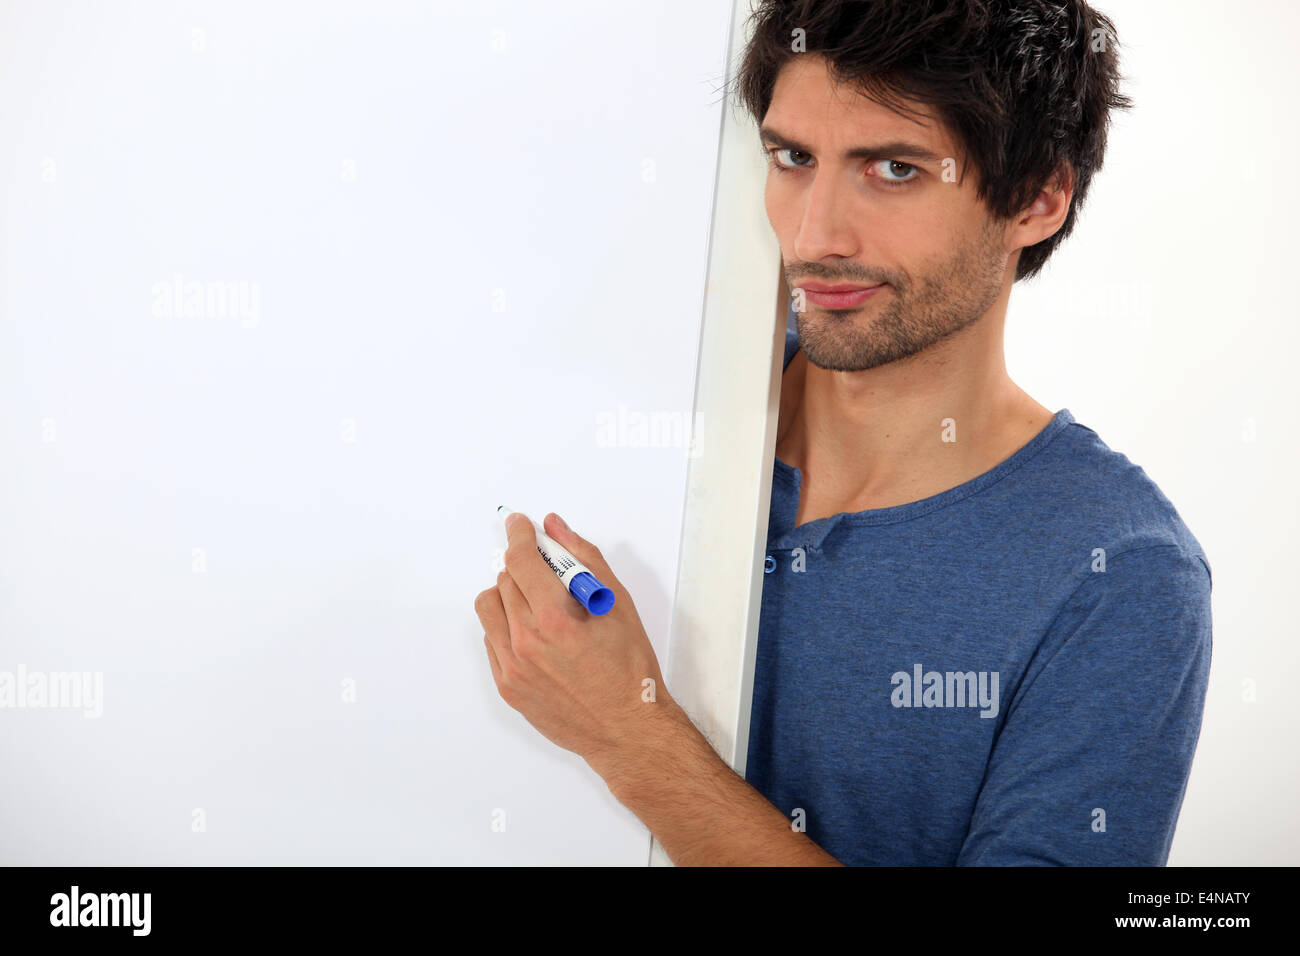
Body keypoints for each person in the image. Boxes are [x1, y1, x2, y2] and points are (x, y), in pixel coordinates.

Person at [476, 0, 1211, 865]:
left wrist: (632, 740)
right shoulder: (660, 386)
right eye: (793, 157)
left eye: (894, 169)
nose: (813, 235)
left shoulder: (1119, 573)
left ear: (1038, 199)